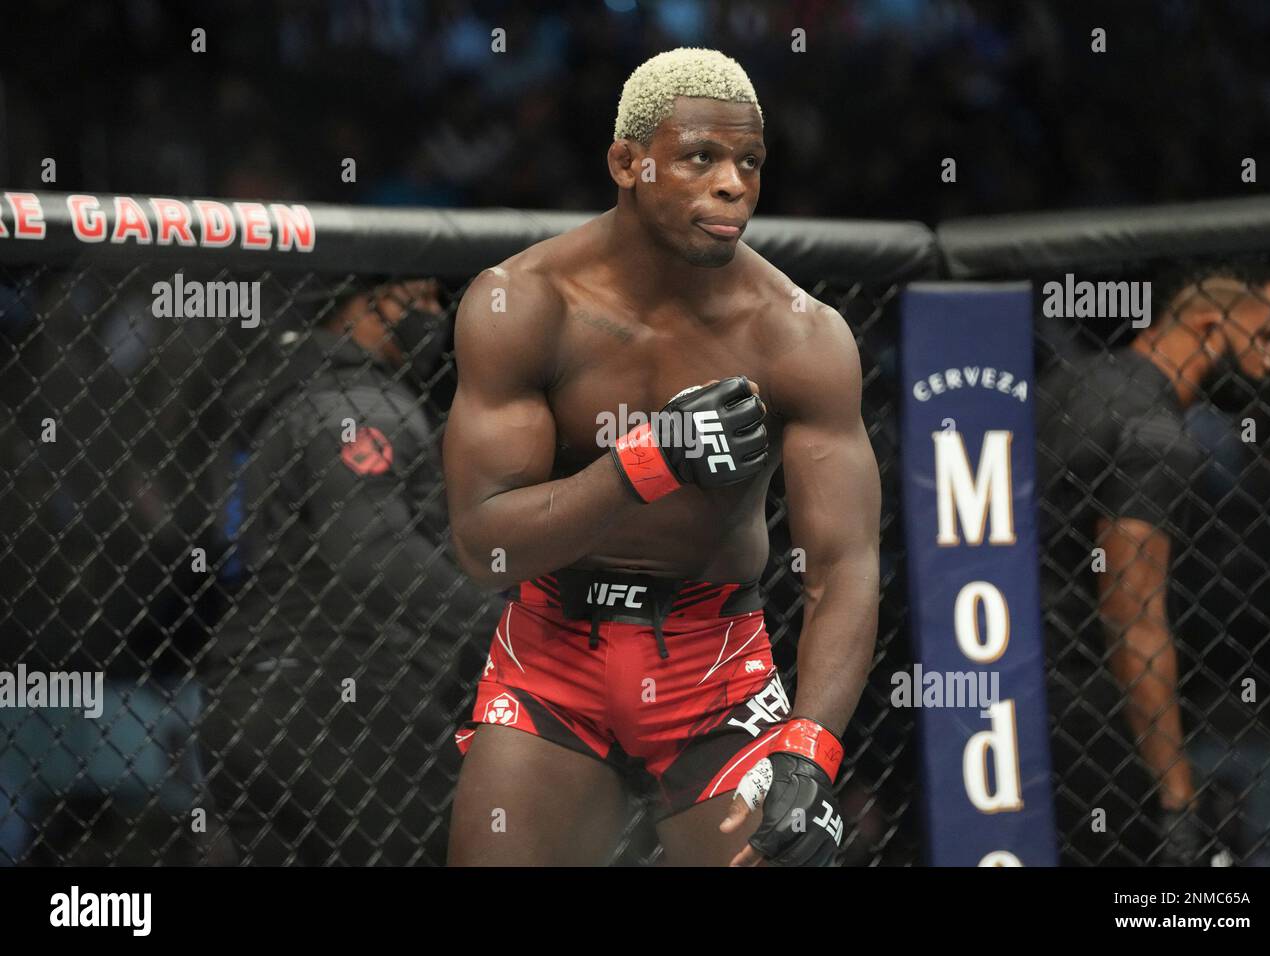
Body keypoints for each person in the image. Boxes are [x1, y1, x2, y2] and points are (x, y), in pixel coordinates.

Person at [445, 48, 882, 867]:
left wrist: (811, 746)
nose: (733, 185)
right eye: (701, 158)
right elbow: (482, 544)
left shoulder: (799, 334)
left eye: (749, 162)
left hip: (717, 673)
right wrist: (644, 464)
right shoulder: (523, 303)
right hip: (552, 656)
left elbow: (843, 562)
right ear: (626, 162)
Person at [199, 277, 497, 864]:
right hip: (336, 699)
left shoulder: (295, 395)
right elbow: (372, 552)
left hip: (252, 699)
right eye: (426, 298)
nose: (438, 317)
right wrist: (508, 627)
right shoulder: (354, 402)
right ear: (371, 303)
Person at [1036, 263, 1270, 865]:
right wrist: (1176, 794)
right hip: (1089, 712)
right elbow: (1135, 619)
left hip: (1006, 676)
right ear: (1209, 326)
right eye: (1262, 337)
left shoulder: (1068, 381)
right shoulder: (1159, 436)